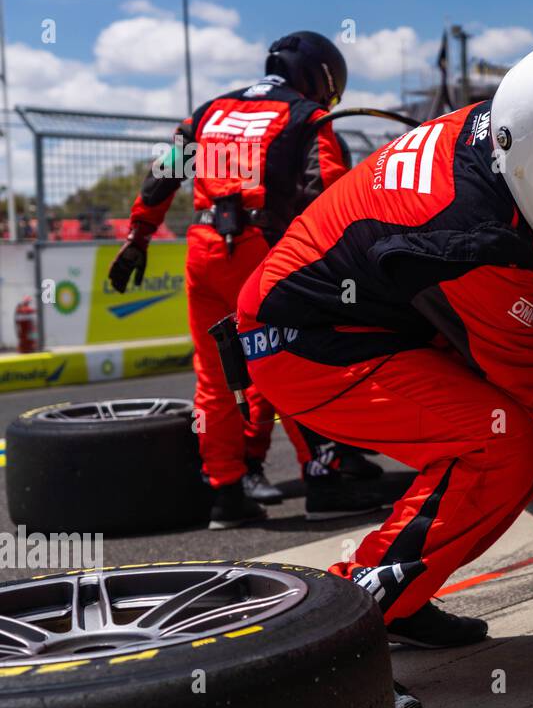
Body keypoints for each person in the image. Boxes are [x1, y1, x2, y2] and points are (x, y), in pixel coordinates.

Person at [236, 34, 533, 651]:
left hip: (362, 315)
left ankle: (401, 595)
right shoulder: (477, 242)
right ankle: (345, 630)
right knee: (505, 441)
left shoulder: (508, 132)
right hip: (304, 343)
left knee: (514, 441)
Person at [110, 31, 384, 528]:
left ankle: (227, 495)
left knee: (215, 378)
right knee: (295, 360)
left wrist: (138, 236)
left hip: (202, 250)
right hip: (262, 252)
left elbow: (164, 172)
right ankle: (325, 481)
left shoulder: (209, 111)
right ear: (319, 76)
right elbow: (330, 191)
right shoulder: (307, 116)